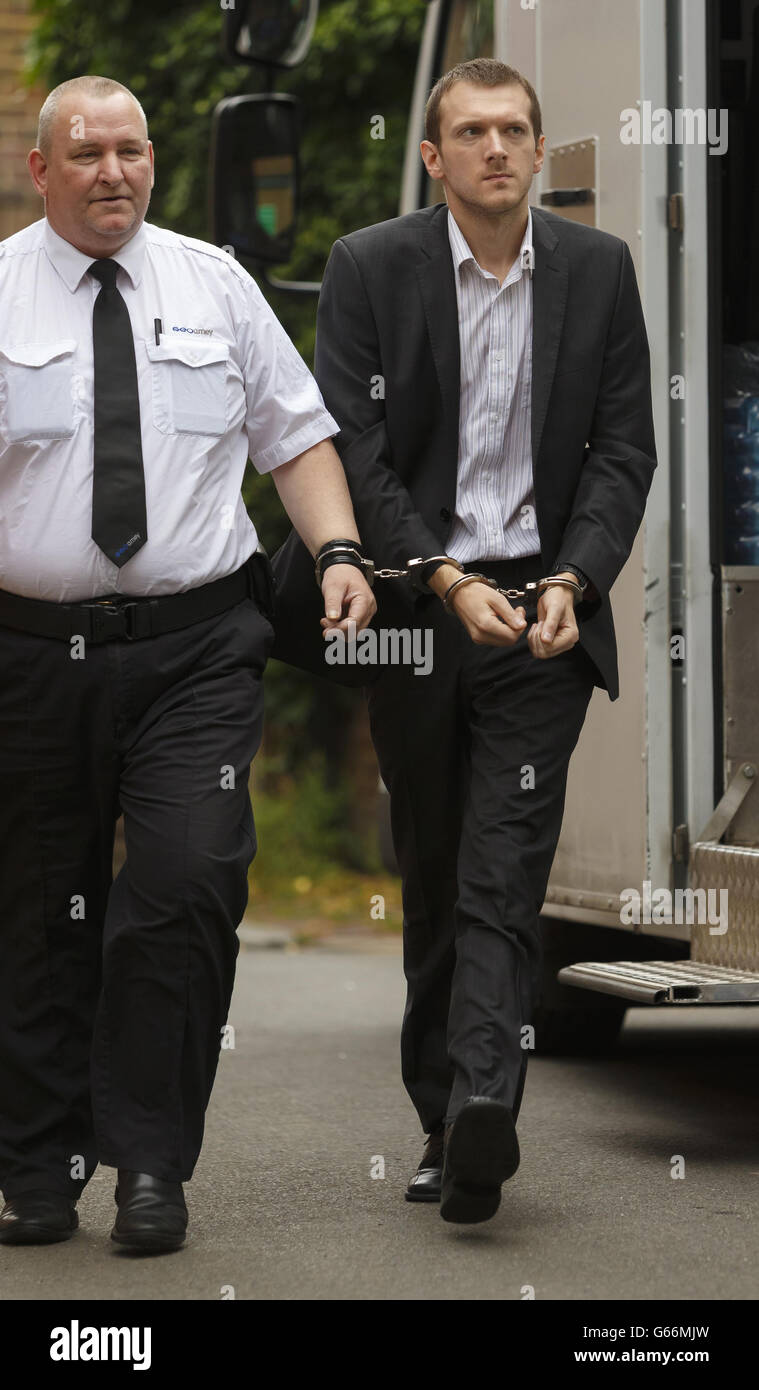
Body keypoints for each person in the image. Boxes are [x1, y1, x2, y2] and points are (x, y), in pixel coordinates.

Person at [274, 58, 657, 1225]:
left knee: (503, 864)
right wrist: (437, 577)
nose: (496, 148)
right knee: (436, 868)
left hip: (540, 622)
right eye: (471, 132)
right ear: (433, 157)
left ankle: (483, 1106)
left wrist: (576, 579)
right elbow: (354, 450)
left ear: (540, 153)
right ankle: (441, 1110)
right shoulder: (370, 267)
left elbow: (622, 452)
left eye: (515, 130)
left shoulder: (600, 273)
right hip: (415, 614)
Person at [0, 75, 375, 1252]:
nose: (115, 171)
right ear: (42, 169)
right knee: (35, 910)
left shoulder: (214, 282)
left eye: (132, 150)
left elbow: (296, 432)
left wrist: (340, 551)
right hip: (30, 653)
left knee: (185, 881)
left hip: (197, 649)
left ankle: (152, 1163)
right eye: (89, 152)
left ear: (153, 160)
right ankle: (41, 1164)